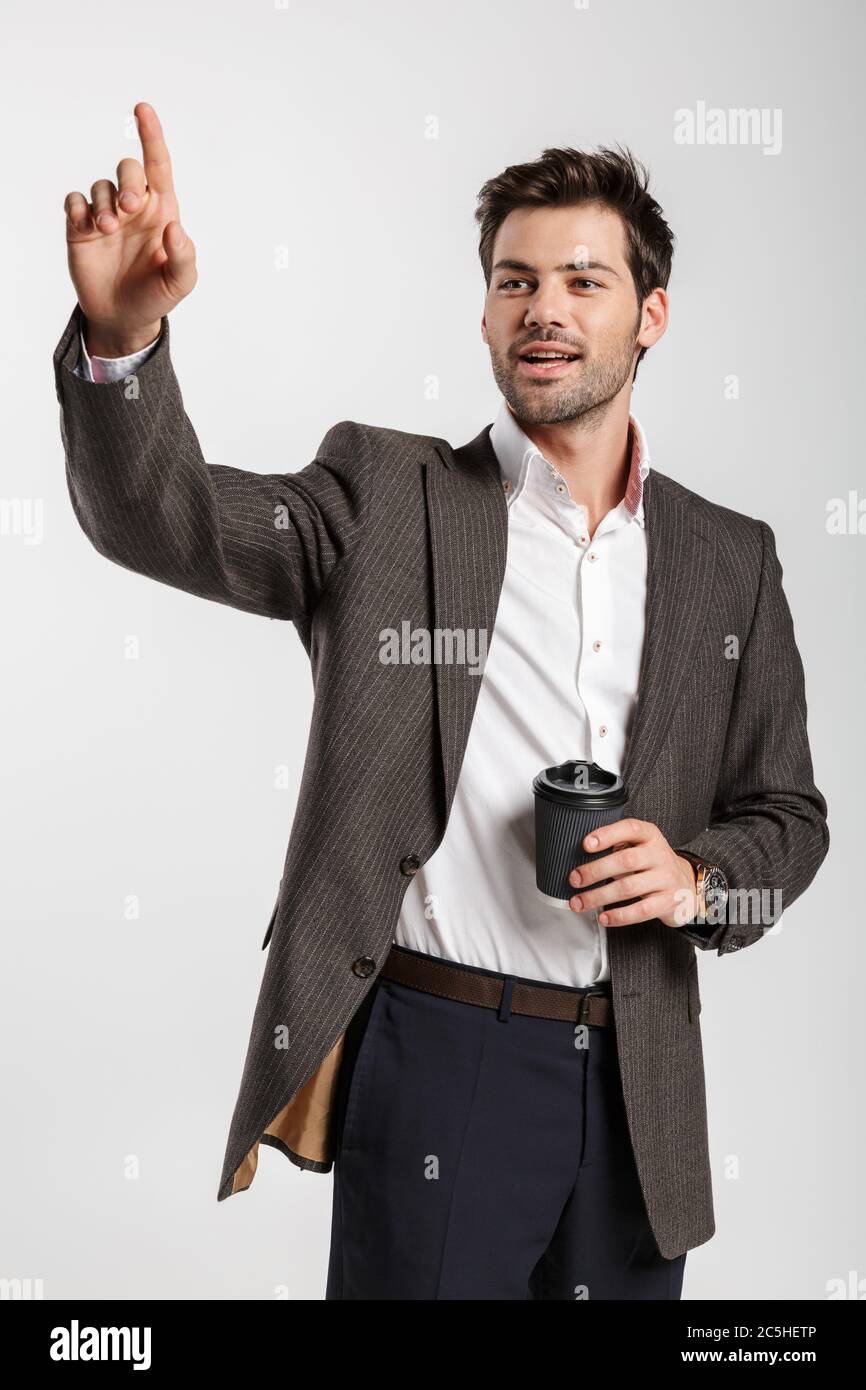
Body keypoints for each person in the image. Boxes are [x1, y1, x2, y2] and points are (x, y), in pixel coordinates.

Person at [55, 101, 829, 1300]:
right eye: (515, 281)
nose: (545, 310)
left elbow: (789, 815)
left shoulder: (732, 557)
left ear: (650, 315)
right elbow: (169, 522)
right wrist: (122, 339)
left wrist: (696, 879)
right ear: (483, 312)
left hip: (640, 1085)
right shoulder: (384, 497)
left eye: (583, 279)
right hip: (440, 1052)